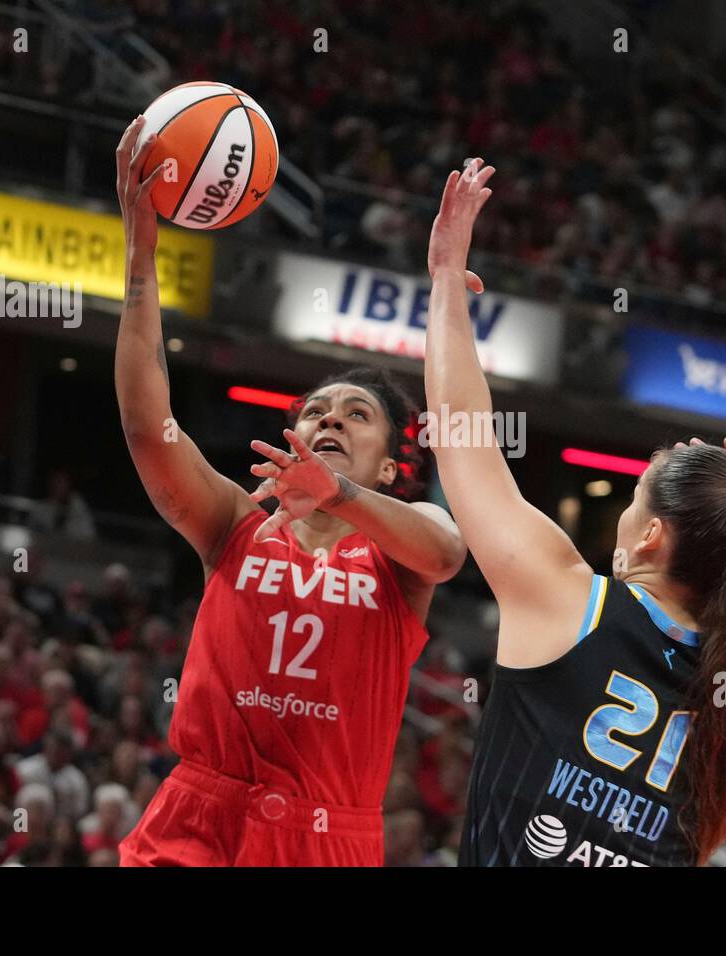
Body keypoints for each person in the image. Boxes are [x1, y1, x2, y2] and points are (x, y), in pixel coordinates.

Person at [424, 158, 726, 866]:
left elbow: (461, 428)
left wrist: (444, 281)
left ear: (651, 536)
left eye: (631, 501)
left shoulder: (567, 601)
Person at [112, 116, 466, 866]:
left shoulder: (400, 549)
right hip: (198, 815)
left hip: (322, 837)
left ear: (387, 470)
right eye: (317, 411)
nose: (331, 416)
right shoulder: (236, 524)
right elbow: (151, 428)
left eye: (356, 415)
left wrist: (338, 496)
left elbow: (445, 553)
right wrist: (141, 259)